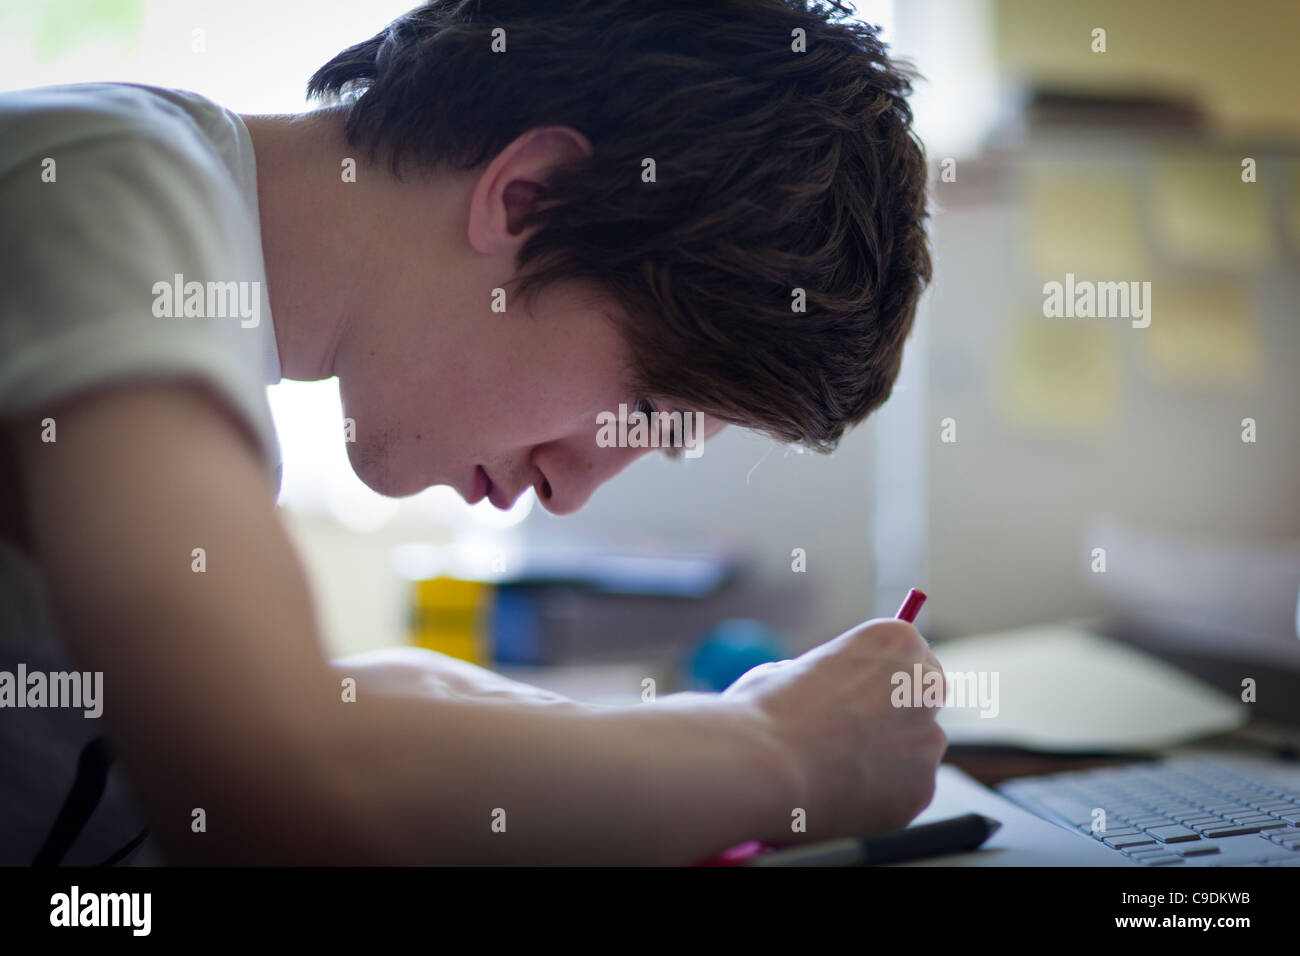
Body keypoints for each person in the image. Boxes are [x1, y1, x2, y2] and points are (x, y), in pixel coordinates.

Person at [0, 0, 944, 865]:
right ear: (529, 197)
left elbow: (275, 718)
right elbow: (282, 779)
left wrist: (672, 739)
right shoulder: (109, 194)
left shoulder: (189, 271)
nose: (571, 490)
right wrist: (780, 753)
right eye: (648, 410)